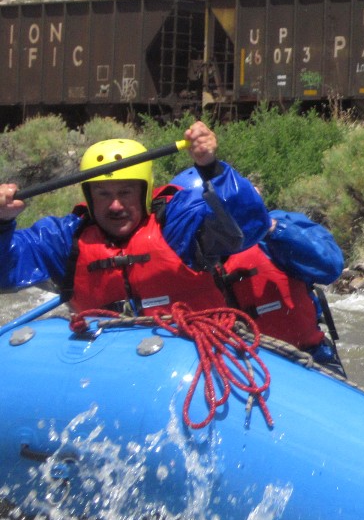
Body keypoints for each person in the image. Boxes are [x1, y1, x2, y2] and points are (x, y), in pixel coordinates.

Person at [0, 122, 270, 316]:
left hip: (191, 354)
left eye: (125, 192)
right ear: (88, 196)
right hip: (108, 361)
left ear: (145, 192)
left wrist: (211, 168)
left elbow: (248, 227)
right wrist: (2, 222)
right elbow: (7, 268)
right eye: (103, 194)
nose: (115, 205)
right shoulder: (64, 239)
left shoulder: (177, 225)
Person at [171, 167, 346, 375]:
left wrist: (270, 228)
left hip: (308, 359)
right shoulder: (181, 259)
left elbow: (331, 267)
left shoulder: (275, 230)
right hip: (240, 368)